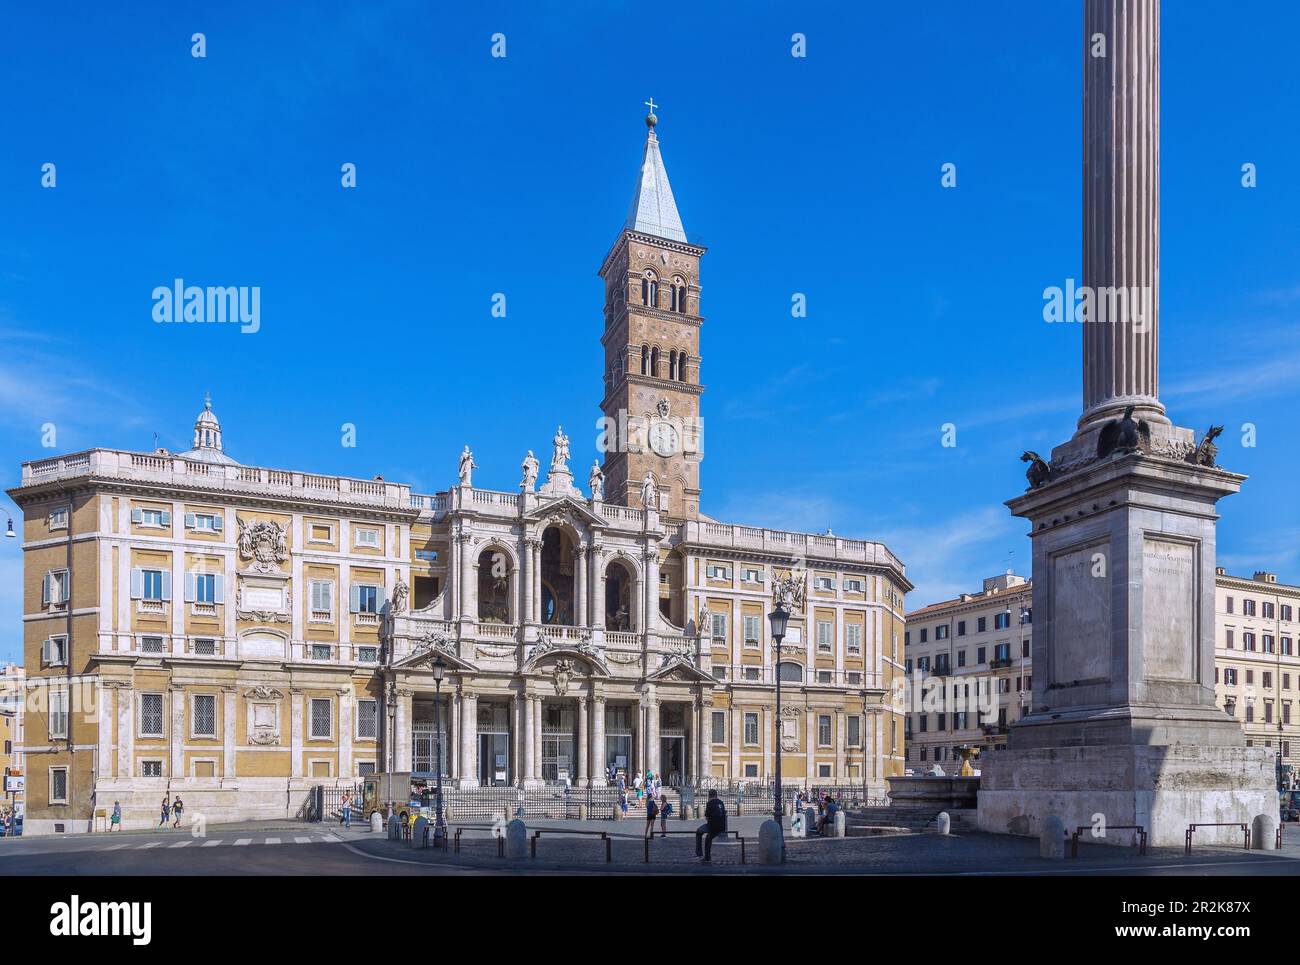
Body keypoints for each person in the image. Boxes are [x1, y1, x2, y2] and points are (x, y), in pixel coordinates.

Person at [696, 789, 727, 863]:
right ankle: (706, 857)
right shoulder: (721, 802)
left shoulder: (710, 803)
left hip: (713, 826)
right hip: (722, 826)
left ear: (709, 796)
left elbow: (707, 817)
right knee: (708, 838)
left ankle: (700, 854)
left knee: (699, 832)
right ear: (716, 795)